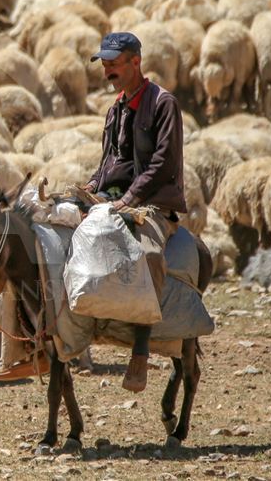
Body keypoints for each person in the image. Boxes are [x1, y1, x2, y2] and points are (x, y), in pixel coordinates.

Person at [84, 31, 186, 392]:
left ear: (136, 62)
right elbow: (108, 160)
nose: (108, 68)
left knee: (147, 254)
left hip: (154, 202)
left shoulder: (162, 103)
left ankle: (140, 351)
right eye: (105, 63)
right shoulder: (115, 108)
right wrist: (89, 189)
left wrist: (130, 198)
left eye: (114, 62)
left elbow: (163, 161)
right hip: (113, 197)